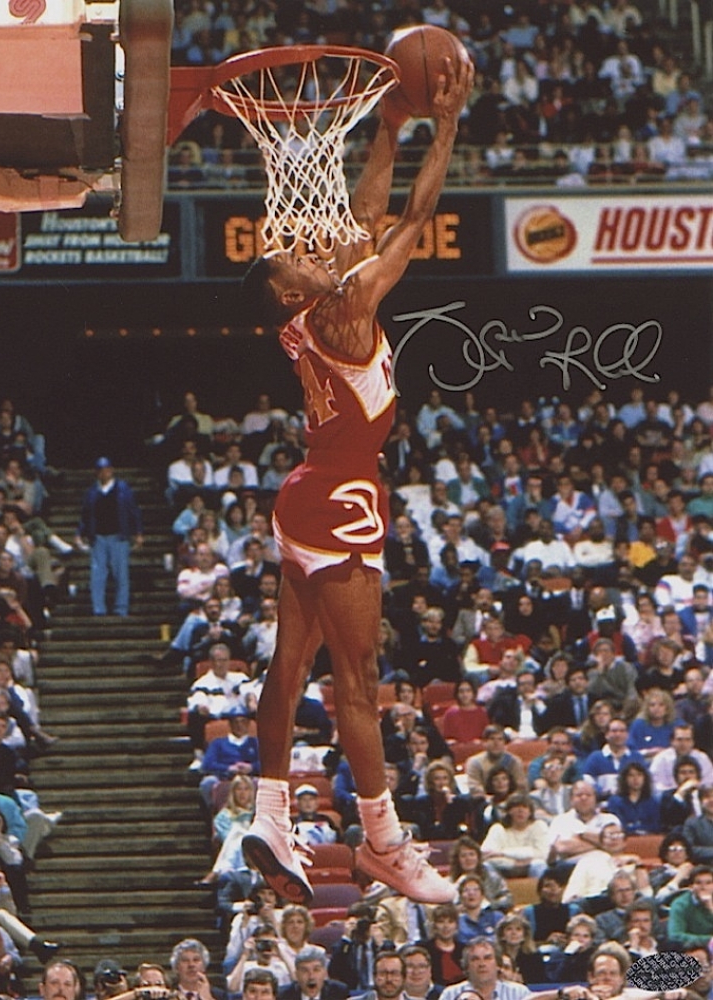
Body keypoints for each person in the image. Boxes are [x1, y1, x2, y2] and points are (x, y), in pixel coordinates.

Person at [239, 50, 474, 905]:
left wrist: (388, 126)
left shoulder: (314, 310)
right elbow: (412, 218)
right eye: (290, 259)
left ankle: (269, 812)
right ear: (286, 292)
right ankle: (383, 843)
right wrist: (444, 128)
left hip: (306, 493)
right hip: (340, 498)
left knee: (290, 663)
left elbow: (364, 213)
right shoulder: (339, 310)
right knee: (359, 684)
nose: (303, 250)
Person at [75, 458, 144, 617]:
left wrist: (138, 533)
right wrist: (79, 534)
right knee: (97, 575)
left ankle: (121, 608)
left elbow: (133, 511)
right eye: (100, 470)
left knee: (121, 575)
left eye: (106, 470)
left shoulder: (123, 489)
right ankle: (98, 608)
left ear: (111, 471)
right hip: (98, 537)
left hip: (119, 537)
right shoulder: (92, 492)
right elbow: (85, 516)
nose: (103, 473)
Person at [436, 937, 529, 1000]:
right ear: (467, 966)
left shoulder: (519, 993)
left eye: (487, 958)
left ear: (498, 964)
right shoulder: (450, 994)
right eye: (475, 959)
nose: (482, 964)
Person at [277, 945, 349, 1000]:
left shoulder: (338, 993)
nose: (311, 976)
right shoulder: (283, 996)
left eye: (316, 970)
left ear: (324, 972)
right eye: (305, 971)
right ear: (297, 975)